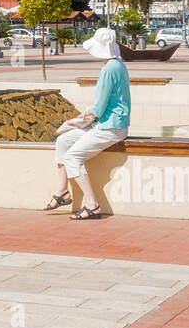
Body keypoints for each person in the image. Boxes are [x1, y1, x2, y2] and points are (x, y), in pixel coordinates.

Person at [42, 26, 131, 220]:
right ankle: (62, 191)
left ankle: (92, 205)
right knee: (63, 142)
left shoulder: (109, 69)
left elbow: (99, 108)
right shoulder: (118, 65)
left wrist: (81, 119)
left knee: (72, 158)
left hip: (110, 127)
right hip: (109, 124)